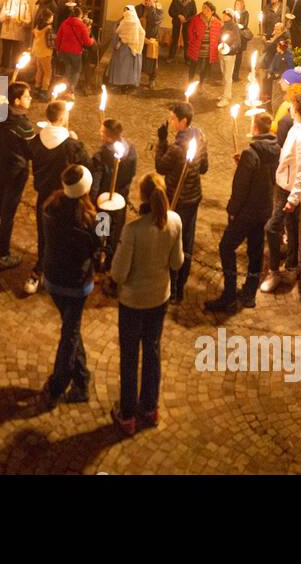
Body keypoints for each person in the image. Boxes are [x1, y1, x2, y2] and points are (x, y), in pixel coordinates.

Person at [108, 172, 182, 435]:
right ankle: (150, 408)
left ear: (141, 197)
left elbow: (118, 273)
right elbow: (177, 263)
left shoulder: (133, 230)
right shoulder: (174, 221)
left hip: (132, 302)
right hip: (158, 299)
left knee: (130, 358)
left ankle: (127, 414)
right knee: (152, 351)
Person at [38, 165, 104, 409]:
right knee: (70, 334)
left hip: (53, 279)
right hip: (76, 284)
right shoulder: (90, 219)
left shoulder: (50, 207)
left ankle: (83, 379)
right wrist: (105, 215)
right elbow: (99, 246)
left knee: (71, 330)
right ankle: (58, 385)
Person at [206, 111, 279, 312]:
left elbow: (241, 187)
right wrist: (244, 165)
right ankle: (249, 294)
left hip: (247, 212)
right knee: (255, 252)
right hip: (264, 209)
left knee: (226, 247)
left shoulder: (250, 153)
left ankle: (229, 295)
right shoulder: (276, 149)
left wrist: (232, 210)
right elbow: (266, 177)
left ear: (255, 128)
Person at [25, 100, 89, 294]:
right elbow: (86, 165)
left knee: (44, 235)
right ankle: (52, 271)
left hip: (43, 195)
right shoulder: (71, 145)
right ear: (62, 118)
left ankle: (41, 267)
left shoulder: (36, 141)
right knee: (63, 236)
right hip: (64, 198)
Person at [155, 100, 208, 303]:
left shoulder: (177, 148)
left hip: (177, 199)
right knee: (187, 240)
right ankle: (181, 285)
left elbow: (160, 166)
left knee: (174, 241)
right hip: (194, 197)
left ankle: (174, 287)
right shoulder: (200, 137)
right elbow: (204, 168)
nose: (171, 122)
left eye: (173, 119)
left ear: (183, 121)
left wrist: (161, 142)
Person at [265, 93, 301, 289]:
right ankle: (291, 265)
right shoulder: (298, 129)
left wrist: (293, 198)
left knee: (272, 227)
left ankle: (274, 271)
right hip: (284, 184)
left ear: (296, 110)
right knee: (291, 227)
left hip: (288, 189)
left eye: (291, 106)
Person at [0, 82, 35, 268]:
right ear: (17, 100)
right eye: (27, 96)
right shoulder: (22, 125)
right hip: (15, 172)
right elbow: (31, 152)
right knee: (8, 213)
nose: (30, 99)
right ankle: (4, 253)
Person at [89, 118, 136, 272]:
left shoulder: (102, 155)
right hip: (121, 198)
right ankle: (109, 263)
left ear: (109, 136)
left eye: (102, 131)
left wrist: (93, 202)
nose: (99, 133)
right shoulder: (131, 150)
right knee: (115, 234)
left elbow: (96, 181)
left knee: (101, 233)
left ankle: (97, 265)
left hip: (104, 202)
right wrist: (123, 193)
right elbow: (131, 175)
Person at [54, 5, 93, 91]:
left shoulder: (65, 23)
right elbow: (87, 42)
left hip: (64, 50)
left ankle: (66, 87)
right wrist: (92, 40)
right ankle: (72, 87)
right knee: (76, 70)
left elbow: (58, 37)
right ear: (80, 15)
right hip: (75, 51)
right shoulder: (82, 25)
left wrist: (58, 49)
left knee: (68, 68)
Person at [106, 5, 145, 93]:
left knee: (121, 67)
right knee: (129, 69)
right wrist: (137, 46)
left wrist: (119, 40)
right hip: (132, 50)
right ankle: (127, 85)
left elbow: (117, 32)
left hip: (123, 48)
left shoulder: (124, 21)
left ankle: (119, 84)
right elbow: (142, 33)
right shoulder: (136, 22)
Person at [0, 0, 33, 69]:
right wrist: (5, 17)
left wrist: (22, 20)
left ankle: (13, 69)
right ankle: (3, 68)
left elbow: (28, 19)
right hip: (7, 32)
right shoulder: (7, 3)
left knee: (16, 53)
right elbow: (0, 17)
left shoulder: (25, 4)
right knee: (6, 51)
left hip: (18, 32)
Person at [185, 1, 221, 85]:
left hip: (209, 49)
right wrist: (192, 40)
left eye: (207, 9)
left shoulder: (216, 22)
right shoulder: (196, 18)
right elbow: (190, 30)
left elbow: (219, 34)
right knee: (193, 66)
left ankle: (201, 83)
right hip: (197, 47)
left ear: (212, 12)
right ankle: (190, 83)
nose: (204, 10)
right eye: (203, 7)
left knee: (205, 68)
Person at [137, 0, 163, 89]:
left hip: (152, 40)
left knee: (152, 61)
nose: (147, 2)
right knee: (139, 58)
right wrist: (141, 5)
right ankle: (136, 78)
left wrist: (152, 8)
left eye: (150, 1)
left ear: (155, 2)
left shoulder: (159, 11)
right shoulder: (141, 8)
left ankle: (152, 79)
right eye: (146, 0)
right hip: (141, 38)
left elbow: (154, 20)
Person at [217, 6, 241, 105]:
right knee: (224, 75)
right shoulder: (224, 25)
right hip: (222, 52)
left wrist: (230, 49)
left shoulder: (234, 26)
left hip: (230, 54)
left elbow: (237, 41)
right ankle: (226, 94)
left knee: (228, 76)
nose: (223, 16)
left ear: (230, 16)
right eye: (223, 15)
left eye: (225, 15)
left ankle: (226, 98)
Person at [169, 0, 196, 64]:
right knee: (174, 40)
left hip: (187, 25)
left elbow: (194, 14)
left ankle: (187, 59)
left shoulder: (192, 2)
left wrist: (186, 19)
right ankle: (171, 57)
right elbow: (170, 11)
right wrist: (178, 15)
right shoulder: (176, 0)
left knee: (187, 42)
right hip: (176, 24)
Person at [31, 9, 55, 96]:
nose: (53, 18)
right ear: (48, 18)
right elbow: (50, 43)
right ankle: (44, 90)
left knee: (39, 70)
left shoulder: (37, 27)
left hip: (37, 52)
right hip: (45, 53)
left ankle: (37, 87)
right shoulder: (48, 28)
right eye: (52, 17)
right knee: (48, 72)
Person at [231, 0, 252, 83]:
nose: (237, 6)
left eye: (239, 4)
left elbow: (244, 25)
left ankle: (235, 75)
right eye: (236, 4)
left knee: (239, 57)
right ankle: (230, 74)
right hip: (233, 37)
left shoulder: (245, 13)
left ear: (242, 5)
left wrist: (238, 24)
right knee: (232, 56)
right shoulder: (232, 13)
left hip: (241, 37)